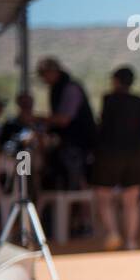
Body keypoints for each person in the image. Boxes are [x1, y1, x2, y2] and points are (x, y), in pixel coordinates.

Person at [92, 66, 140, 250]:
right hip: (135, 153)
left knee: (104, 196)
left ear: (116, 81)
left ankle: (113, 232)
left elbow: (101, 125)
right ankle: (131, 241)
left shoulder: (109, 100)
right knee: (131, 200)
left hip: (110, 153)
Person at [35, 57, 96, 194]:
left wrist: (36, 118)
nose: (44, 79)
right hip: (70, 144)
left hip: (78, 145)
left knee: (76, 185)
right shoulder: (57, 89)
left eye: (45, 75)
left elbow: (64, 119)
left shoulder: (70, 88)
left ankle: (78, 213)